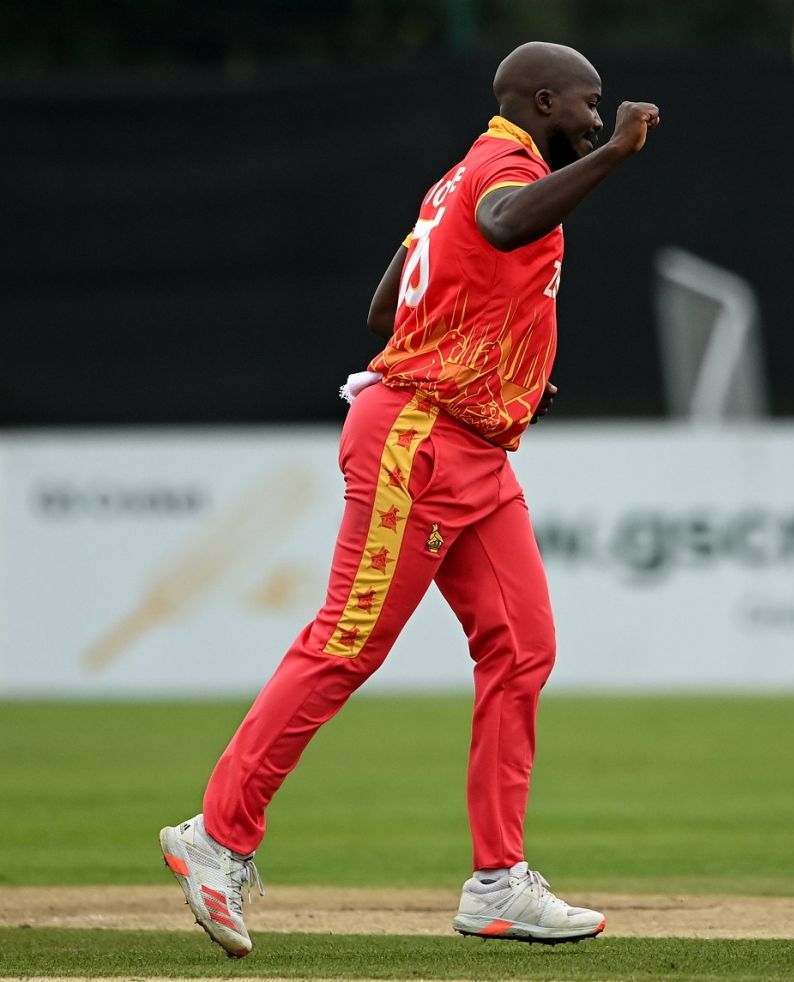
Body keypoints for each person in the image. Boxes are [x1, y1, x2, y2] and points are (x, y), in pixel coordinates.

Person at [158, 41, 660, 957]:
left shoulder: (452, 180)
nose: (598, 117)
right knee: (347, 641)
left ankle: (498, 883)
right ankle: (217, 836)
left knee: (522, 647)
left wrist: (502, 360)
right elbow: (503, 228)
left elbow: (389, 304)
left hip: (473, 443)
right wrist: (617, 155)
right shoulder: (505, 167)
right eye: (588, 103)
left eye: (602, 111)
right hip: (419, 438)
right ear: (543, 102)